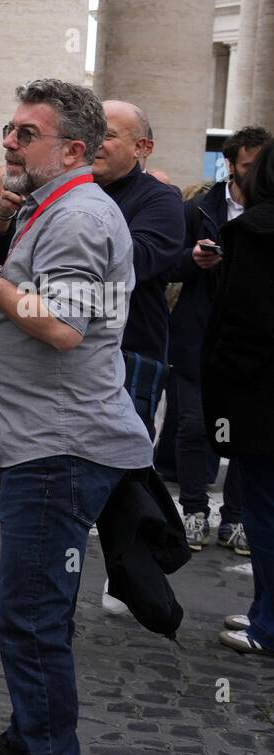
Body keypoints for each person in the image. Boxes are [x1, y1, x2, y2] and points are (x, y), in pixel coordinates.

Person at [0, 79, 154, 755]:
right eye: (9, 127)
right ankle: (31, 741)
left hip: (63, 446)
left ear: (73, 149)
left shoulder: (79, 217)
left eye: (26, 133)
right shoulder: (53, 207)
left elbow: (62, 328)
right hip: (48, 438)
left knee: (30, 618)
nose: (8, 141)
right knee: (39, 610)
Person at [167, 126, 269, 554]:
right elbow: (165, 264)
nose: (256, 174)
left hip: (248, 342)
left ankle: (236, 518)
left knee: (245, 433)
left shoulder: (267, 212)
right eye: (249, 166)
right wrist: (195, 260)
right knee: (192, 425)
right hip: (197, 333)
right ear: (230, 165)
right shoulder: (198, 210)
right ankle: (193, 510)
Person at [206, 139, 274, 655]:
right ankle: (263, 612)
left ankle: (268, 624)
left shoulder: (252, 232)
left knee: (264, 510)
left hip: (258, 393)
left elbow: (240, 324)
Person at [91, 100, 186, 437]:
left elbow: (136, 261)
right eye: (90, 132)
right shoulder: (71, 190)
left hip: (128, 354)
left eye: (108, 134)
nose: (94, 141)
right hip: (63, 350)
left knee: (122, 467)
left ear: (142, 148)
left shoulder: (160, 199)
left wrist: (69, 236)